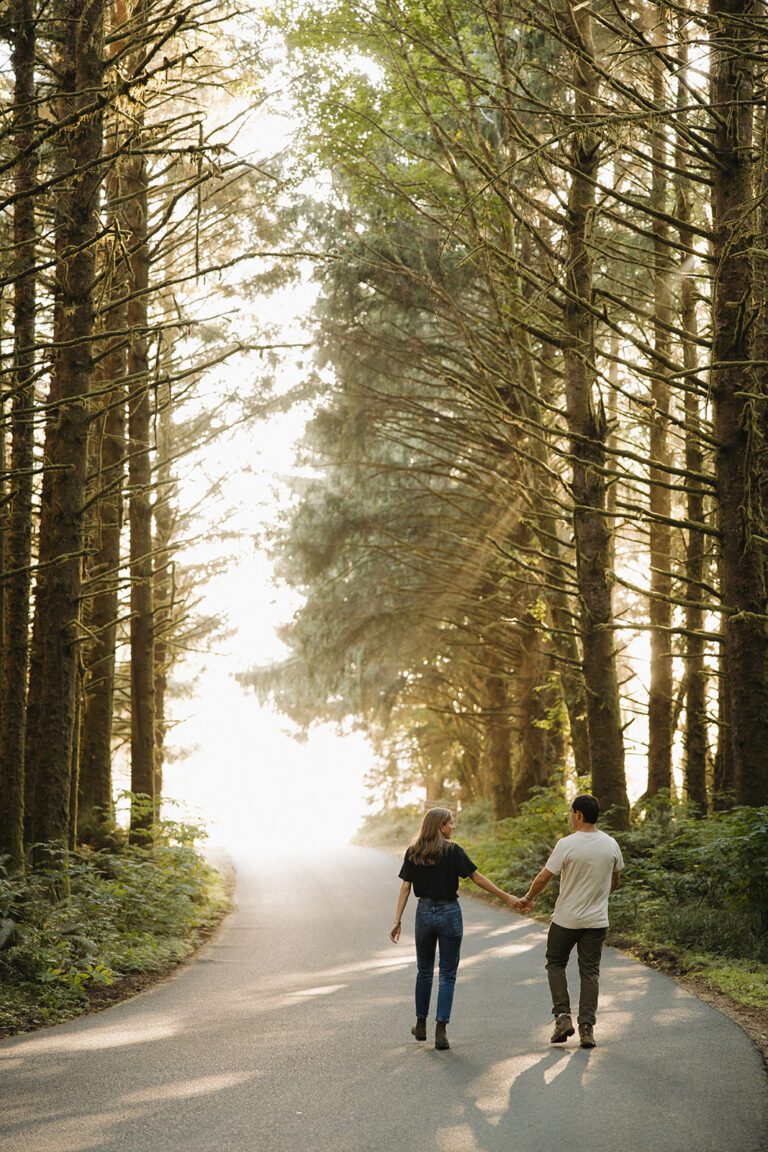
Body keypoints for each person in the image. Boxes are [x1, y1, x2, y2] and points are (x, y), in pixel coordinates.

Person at [390, 806, 525, 1050]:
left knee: (424, 971)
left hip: (424, 913)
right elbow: (477, 878)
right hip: (449, 913)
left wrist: (397, 920)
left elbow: (405, 888)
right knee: (448, 974)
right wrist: (507, 897)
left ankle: (421, 1024)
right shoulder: (453, 851)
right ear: (440, 826)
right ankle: (441, 1030)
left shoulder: (414, 851)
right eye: (451, 823)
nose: (454, 827)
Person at [520, 794, 623, 1050]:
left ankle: (563, 1018)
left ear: (577, 814)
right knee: (590, 972)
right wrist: (599, 898)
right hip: (596, 921)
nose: (570, 816)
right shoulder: (611, 844)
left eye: (570, 812)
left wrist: (529, 897)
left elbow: (544, 877)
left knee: (555, 963)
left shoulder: (567, 844)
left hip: (566, 919)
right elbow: (615, 879)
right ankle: (587, 1029)